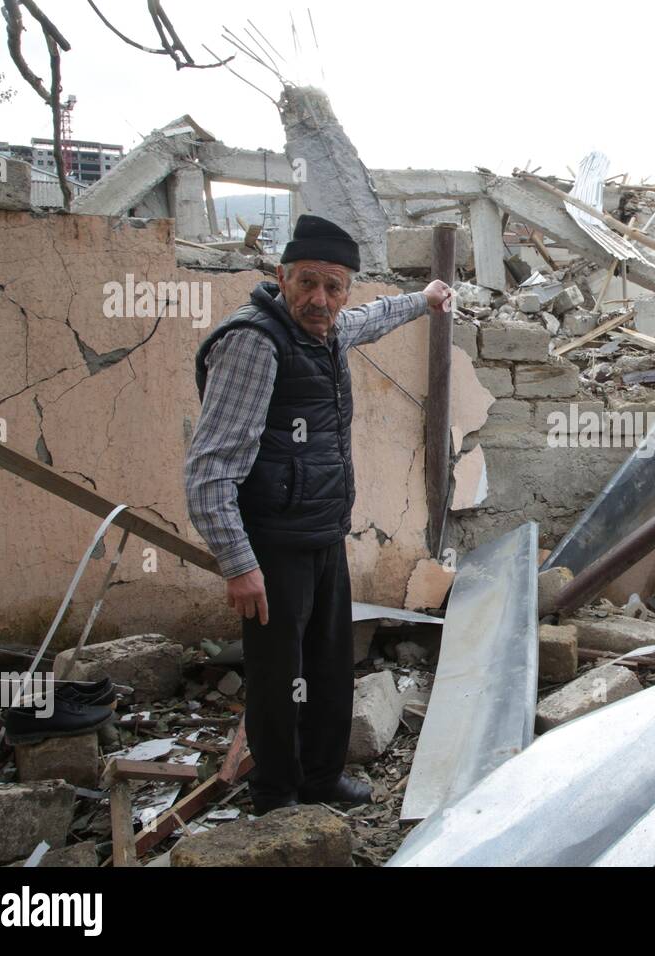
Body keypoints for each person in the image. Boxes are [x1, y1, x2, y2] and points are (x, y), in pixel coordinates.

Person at [185, 214, 452, 813]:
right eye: (307, 283)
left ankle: (322, 779)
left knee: (330, 668)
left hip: (323, 534)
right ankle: (276, 796)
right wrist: (237, 562)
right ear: (280, 277)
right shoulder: (255, 344)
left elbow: (371, 319)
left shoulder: (327, 331)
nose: (320, 299)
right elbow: (208, 471)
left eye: (334, 287)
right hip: (273, 546)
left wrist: (425, 298)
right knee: (279, 681)